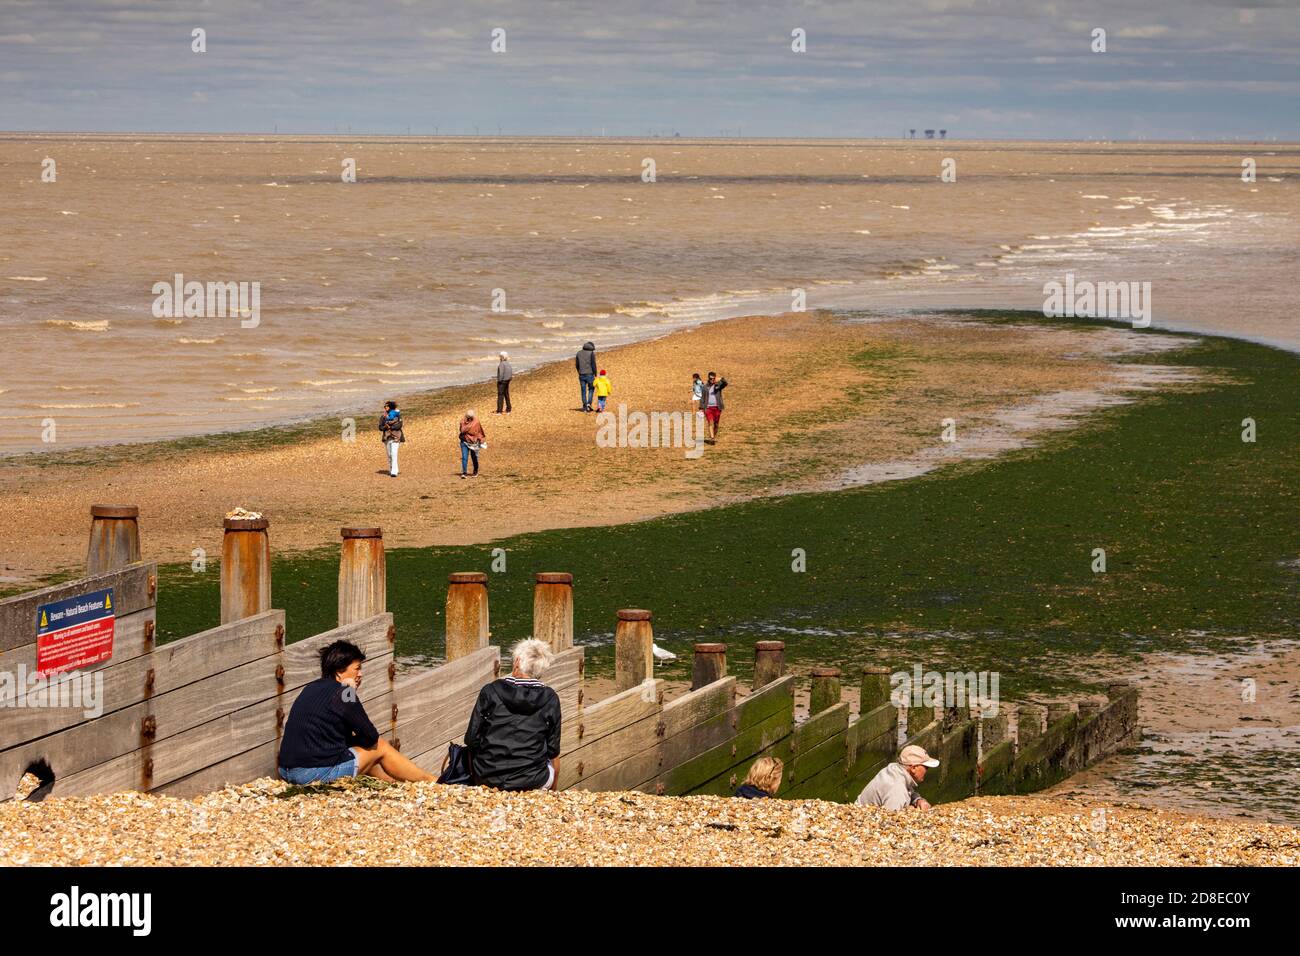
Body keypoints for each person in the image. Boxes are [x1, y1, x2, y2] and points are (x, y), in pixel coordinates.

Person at [279, 640, 435, 785]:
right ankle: (431, 780)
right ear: (339, 671)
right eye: (357, 668)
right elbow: (371, 736)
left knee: (360, 750)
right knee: (379, 746)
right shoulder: (345, 693)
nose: (360, 674)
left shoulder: (311, 688)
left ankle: (390, 783)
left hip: (286, 771)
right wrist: (350, 692)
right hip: (311, 775)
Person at [464, 638, 562, 791]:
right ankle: (552, 797)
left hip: (487, 777)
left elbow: (471, 739)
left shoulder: (490, 691)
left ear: (517, 662)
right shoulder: (550, 698)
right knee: (554, 760)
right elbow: (553, 750)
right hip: (533, 779)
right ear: (542, 668)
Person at [855, 744, 939, 810]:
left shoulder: (895, 770)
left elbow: (909, 790)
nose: (927, 770)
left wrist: (918, 800)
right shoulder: (896, 789)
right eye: (926, 767)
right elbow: (892, 821)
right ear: (913, 768)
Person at [699, 371, 728, 443]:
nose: (712, 380)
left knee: (716, 424)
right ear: (708, 378)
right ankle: (712, 438)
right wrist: (701, 408)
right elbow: (702, 398)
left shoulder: (718, 385)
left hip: (717, 407)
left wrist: (721, 378)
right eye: (710, 378)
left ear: (715, 378)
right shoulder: (705, 387)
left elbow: (725, 383)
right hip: (708, 407)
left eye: (713, 378)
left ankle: (713, 437)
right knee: (710, 422)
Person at [379, 400, 404, 477]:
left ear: (390, 407)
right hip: (387, 437)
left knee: (394, 454)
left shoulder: (397, 415)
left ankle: (394, 471)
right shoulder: (383, 417)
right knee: (389, 455)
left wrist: (391, 427)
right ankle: (391, 468)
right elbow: (380, 427)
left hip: (396, 437)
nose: (385, 408)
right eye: (384, 406)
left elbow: (399, 425)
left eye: (386, 406)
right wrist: (385, 427)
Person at [458, 409, 486, 478]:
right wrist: (467, 424)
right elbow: (462, 430)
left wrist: (481, 439)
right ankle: (464, 473)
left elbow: (479, 431)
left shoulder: (476, 422)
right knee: (464, 457)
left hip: (474, 442)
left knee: (474, 457)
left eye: (470, 417)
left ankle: (475, 471)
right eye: (467, 417)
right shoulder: (462, 421)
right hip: (464, 441)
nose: (468, 419)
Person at [576, 341, 597, 412]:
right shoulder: (591, 353)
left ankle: (585, 406)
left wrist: (579, 372)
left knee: (583, 390)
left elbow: (577, 365)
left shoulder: (578, 353)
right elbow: (593, 364)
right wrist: (595, 373)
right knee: (591, 389)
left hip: (581, 374)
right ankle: (589, 404)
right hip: (590, 374)